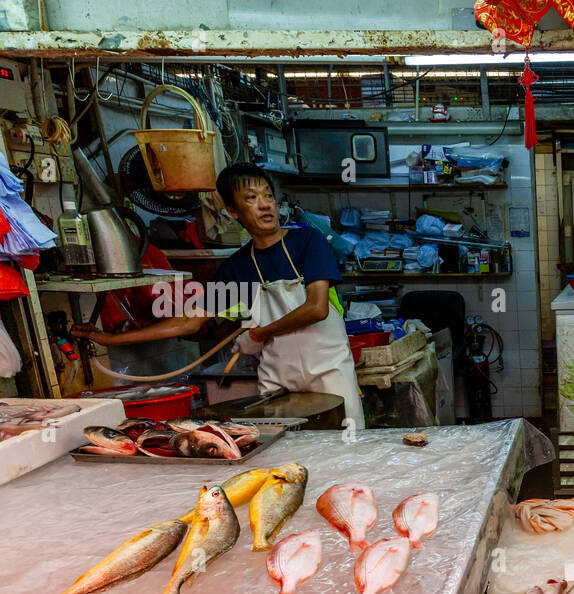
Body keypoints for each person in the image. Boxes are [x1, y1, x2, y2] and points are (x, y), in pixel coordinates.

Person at [73, 163, 364, 426]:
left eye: (268, 196)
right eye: (252, 198)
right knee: (284, 458)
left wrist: (257, 335)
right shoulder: (235, 268)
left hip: (330, 372)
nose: (265, 206)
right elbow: (188, 322)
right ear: (233, 211)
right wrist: (110, 339)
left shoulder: (308, 241)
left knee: (346, 448)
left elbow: (316, 309)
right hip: (279, 381)